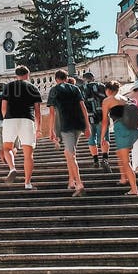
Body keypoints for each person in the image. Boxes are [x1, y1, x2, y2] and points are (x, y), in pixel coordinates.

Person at [48, 69, 91, 197]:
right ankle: (71, 181)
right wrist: (87, 126)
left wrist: (51, 130)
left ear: (56, 79)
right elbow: (83, 108)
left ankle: (79, 183)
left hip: (65, 124)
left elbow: (52, 113)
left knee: (70, 154)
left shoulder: (54, 90)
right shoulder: (75, 89)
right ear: (66, 78)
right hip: (78, 124)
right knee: (69, 152)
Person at [1, 65, 42, 190]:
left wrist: (5, 119)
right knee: (28, 154)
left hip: (10, 119)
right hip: (27, 120)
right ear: (27, 75)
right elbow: (37, 111)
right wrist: (38, 128)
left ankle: (12, 168)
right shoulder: (33, 88)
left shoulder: (8, 87)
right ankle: (27, 183)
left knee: (7, 148)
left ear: (16, 75)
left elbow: (3, 107)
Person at [101, 81, 138, 197]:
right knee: (120, 154)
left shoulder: (107, 100)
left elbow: (105, 122)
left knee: (125, 162)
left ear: (108, 90)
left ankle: (134, 189)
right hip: (133, 129)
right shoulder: (125, 98)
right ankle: (123, 178)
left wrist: (102, 137)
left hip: (121, 129)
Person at [81, 71, 111, 172]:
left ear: (84, 79)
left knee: (91, 139)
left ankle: (95, 160)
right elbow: (108, 99)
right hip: (102, 115)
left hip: (89, 117)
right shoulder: (101, 86)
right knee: (104, 137)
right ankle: (105, 159)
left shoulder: (82, 89)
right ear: (93, 78)